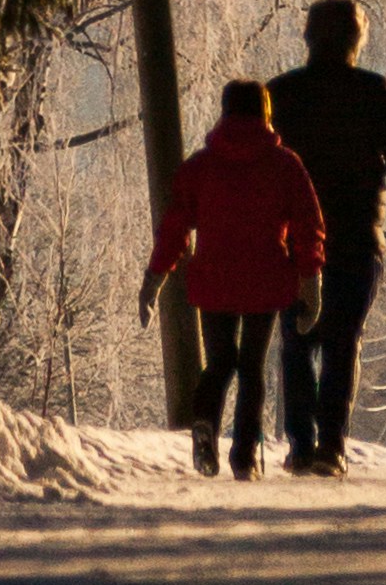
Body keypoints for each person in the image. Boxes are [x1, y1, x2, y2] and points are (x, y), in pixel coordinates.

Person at [266, 0, 386, 478]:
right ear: (357, 40)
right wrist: (379, 163)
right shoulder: (375, 91)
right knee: (343, 340)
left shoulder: (280, 93)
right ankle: (331, 446)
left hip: (292, 240)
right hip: (357, 235)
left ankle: (298, 443)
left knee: (296, 339)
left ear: (308, 37)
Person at [140, 80, 326, 483]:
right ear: (266, 113)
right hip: (265, 278)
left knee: (220, 361)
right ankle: (245, 455)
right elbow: (309, 226)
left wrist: (155, 276)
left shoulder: (199, 167)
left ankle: (205, 421)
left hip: (214, 278)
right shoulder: (285, 165)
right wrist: (311, 280)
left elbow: (174, 228)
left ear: (224, 113)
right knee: (252, 367)